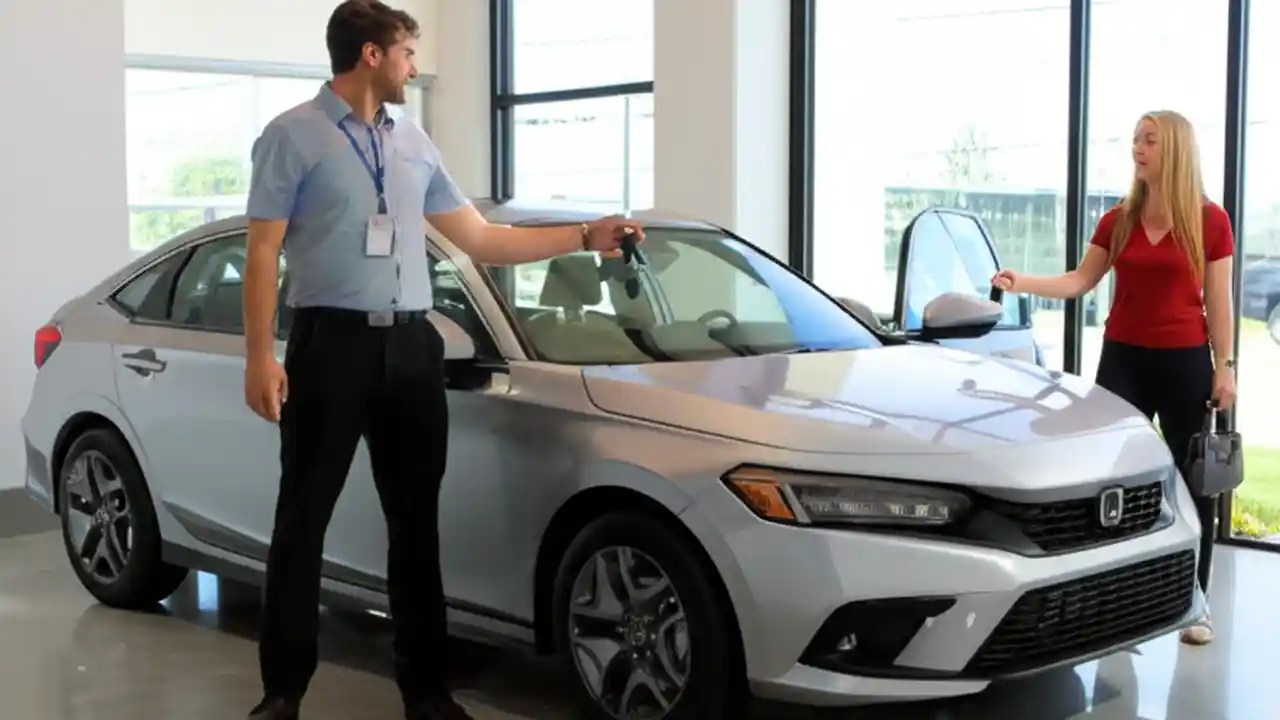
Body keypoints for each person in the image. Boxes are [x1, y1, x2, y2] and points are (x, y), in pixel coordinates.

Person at [239, 2, 644, 718]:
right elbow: (264, 250)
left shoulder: (415, 143)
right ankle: (282, 692)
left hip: (411, 348)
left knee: (416, 527)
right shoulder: (292, 136)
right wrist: (259, 359)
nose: (413, 66)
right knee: (302, 520)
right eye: (406, 52)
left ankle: (425, 693)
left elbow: (483, 240)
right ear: (371, 55)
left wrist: (586, 235)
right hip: (329, 345)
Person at [991, 109, 1237, 647]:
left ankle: (1195, 603)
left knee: (1193, 485)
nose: (1137, 148)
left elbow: (1218, 303)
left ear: (1173, 148)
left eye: (1148, 140)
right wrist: (1020, 280)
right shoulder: (1119, 219)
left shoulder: (1210, 220)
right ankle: (1113, 602)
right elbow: (1080, 281)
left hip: (1185, 362)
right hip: (1123, 358)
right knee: (1110, 484)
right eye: (1134, 140)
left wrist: (1226, 366)